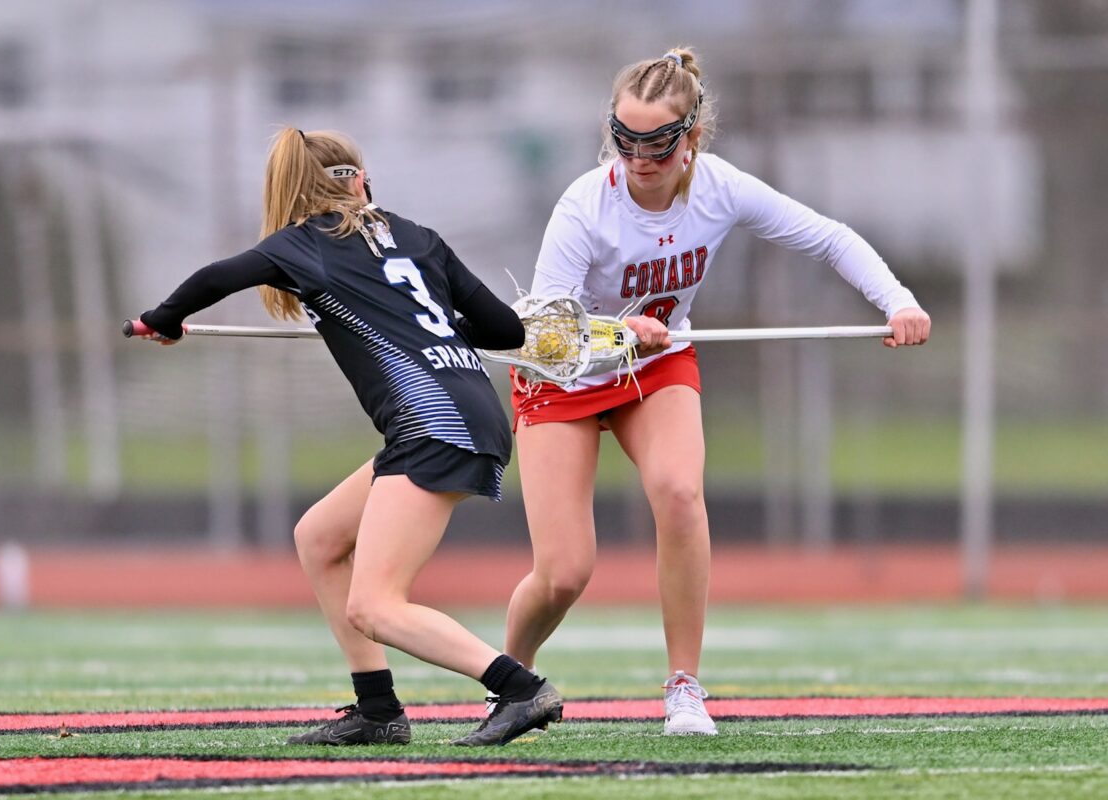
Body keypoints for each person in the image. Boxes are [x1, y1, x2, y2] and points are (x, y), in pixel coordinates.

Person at [502, 47, 931, 736]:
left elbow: (828, 238)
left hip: (657, 366)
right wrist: (617, 334)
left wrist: (898, 301)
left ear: (691, 137)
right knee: (563, 573)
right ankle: (511, 680)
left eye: (657, 141)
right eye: (624, 137)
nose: (638, 156)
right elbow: (543, 333)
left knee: (679, 493)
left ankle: (684, 687)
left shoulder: (720, 188)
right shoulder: (584, 205)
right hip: (567, 375)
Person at [135, 128, 563, 747]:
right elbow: (502, 329)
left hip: (434, 423)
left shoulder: (301, 244)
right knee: (320, 537)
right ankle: (378, 710)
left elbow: (215, 278)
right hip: (467, 407)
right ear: (358, 179)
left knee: (376, 605)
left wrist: (161, 319)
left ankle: (521, 689)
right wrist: (439, 326)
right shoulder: (419, 238)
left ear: (291, 192)